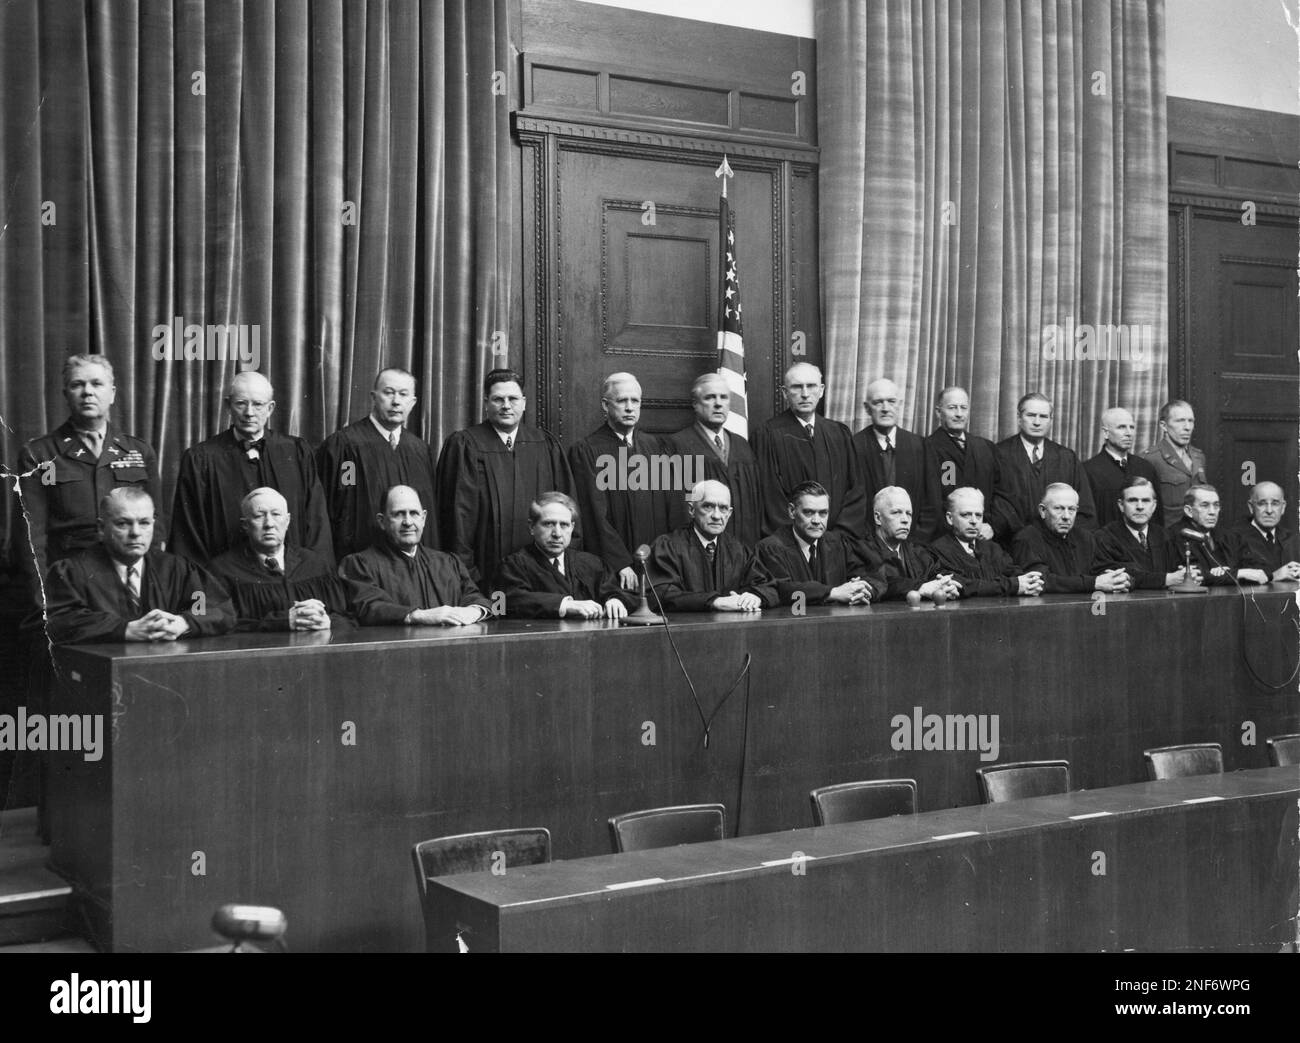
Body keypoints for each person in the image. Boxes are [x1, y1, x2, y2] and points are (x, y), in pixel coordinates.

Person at [18, 355, 164, 606]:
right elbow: (31, 537)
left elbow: (157, 526)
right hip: (70, 583)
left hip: (130, 582)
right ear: (66, 394)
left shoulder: (138, 451)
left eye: (97, 384)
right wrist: (44, 598)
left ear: (113, 393)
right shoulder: (39, 454)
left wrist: (153, 589)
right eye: (77, 385)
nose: (87, 392)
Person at [171, 371, 332, 566]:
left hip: (294, 576)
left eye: (258, 404)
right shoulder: (201, 459)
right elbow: (189, 537)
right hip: (226, 583)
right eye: (241, 403)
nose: (249, 412)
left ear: (270, 408)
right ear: (228, 406)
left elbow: (316, 522)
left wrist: (312, 574)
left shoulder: (297, 452)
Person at [435, 369, 575, 585]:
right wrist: (466, 577)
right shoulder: (465, 444)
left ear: (524, 402)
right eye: (498, 399)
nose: (506, 406)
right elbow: (456, 520)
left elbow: (568, 510)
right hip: (483, 570)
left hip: (542, 573)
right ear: (486, 403)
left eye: (513, 399)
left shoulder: (545, 445)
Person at [44, 488, 233, 644]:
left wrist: (184, 622)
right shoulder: (72, 573)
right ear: (101, 528)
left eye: (144, 523)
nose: (135, 533)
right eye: (123, 524)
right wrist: (123, 629)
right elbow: (61, 621)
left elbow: (216, 607)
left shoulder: (177, 569)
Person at [208, 488, 379, 631]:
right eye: (259, 516)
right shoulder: (223, 570)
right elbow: (222, 626)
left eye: (276, 514)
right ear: (245, 524)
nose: (269, 524)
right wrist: (282, 621)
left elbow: (348, 618)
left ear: (288, 521)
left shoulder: (316, 564)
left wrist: (328, 622)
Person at [316, 368, 440, 562]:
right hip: (360, 562)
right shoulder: (345, 445)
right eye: (389, 392)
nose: (396, 401)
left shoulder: (420, 450)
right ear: (374, 397)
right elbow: (335, 506)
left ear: (413, 402)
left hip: (412, 566)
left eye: (403, 394)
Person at [567, 373, 672, 590]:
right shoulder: (587, 450)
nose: (629, 407)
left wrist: (662, 559)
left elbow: (666, 509)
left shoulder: (654, 447)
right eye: (622, 400)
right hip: (614, 569)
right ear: (606, 405)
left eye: (635, 401)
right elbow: (594, 516)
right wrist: (620, 563)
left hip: (655, 564)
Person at [338, 485, 493, 626]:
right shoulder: (360, 565)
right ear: (382, 521)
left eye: (414, 513)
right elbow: (370, 606)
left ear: (423, 518)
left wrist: (474, 611)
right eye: (399, 514)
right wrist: (418, 615)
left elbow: (474, 597)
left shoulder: (448, 563)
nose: (408, 522)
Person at [754, 363, 866, 537]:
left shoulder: (839, 434)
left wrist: (837, 538)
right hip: (791, 544)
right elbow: (771, 499)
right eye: (797, 387)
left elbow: (855, 492)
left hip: (838, 543)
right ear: (785, 393)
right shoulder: (767, 435)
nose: (805, 394)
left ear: (821, 390)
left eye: (811, 386)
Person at [494, 492, 635, 620]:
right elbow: (508, 601)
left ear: (572, 527)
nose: (557, 533)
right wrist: (565, 605)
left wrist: (615, 600)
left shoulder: (592, 563)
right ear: (532, 527)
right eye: (548, 524)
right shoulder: (514, 565)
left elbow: (612, 591)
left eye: (564, 525)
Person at [648, 480, 778, 613]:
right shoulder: (668, 547)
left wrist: (755, 596)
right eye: (708, 506)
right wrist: (715, 601)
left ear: (729, 513)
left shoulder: (738, 549)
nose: (716, 516)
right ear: (692, 510)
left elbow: (768, 587)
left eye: (723, 508)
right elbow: (660, 595)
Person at [667, 374, 763, 547]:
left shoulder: (742, 446)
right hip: (696, 549)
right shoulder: (678, 445)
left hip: (742, 549)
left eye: (723, 397)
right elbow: (679, 509)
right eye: (710, 397)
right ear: (695, 404)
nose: (718, 403)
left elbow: (754, 506)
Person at [992, 393, 1095, 541]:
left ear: (1051, 420)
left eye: (1043, 416)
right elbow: (996, 505)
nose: (1037, 422)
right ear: (1019, 417)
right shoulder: (999, 454)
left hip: (1060, 544)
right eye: (1031, 415)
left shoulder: (1066, 457)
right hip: (1012, 543)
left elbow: (1085, 508)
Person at [754, 481, 877, 606]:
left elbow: (866, 574)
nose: (817, 521)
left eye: (823, 513)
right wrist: (833, 592)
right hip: (793, 621)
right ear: (792, 511)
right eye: (808, 512)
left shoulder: (838, 543)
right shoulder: (771, 548)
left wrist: (861, 589)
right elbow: (782, 590)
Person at [853, 378, 935, 540]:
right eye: (878, 403)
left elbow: (932, 500)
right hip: (869, 545)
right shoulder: (854, 446)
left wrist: (918, 540)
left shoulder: (919, 445)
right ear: (867, 408)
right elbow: (853, 506)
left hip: (915, 544)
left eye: (891, 401)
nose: (885, 409)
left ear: (900, 405)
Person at [1011, 483, 1130, 594]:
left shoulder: (1084, 537)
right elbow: (1041, 581)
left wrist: (1119, 578)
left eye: (1072, 509)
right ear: (1042, 511)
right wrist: (1094, 583)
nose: (1066, 516)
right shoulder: (1026, 538)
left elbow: (1102, 567)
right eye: (1058, 508)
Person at [930, 488, 1044, 598]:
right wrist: (1012, 585)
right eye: (966, 515)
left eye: (978, 515)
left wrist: (1031, 583)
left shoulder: (993, 549)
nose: (974, 521)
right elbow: (963, 585)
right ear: (950, 518)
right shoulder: (938, 550)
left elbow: (1017, 574)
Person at [1092, 477, 1200, 590]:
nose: (1140, 507)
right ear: (1121, 505)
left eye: (1146, 501)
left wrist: (1189, 574)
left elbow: (1186, 565)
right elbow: (1119, 576)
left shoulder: (1166, 536)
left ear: (1154, 506)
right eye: (1132, 500)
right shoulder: (1104, 537)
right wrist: (1167, 579)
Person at [923, 386, 1001, 542]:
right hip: (946, 537)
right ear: (939, 412)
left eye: (963, 408)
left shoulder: (986, 448)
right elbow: (934, 501)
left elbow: (1002, 493)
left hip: (985, 536)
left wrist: (992, 525)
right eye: (952, 408)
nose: (959, 414)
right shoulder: (928, 448)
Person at [859, 487, 959, 602]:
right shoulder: (861, 550)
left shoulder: (917, 551)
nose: (905, 520)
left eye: (909, 514)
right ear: (878, 518)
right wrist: (920, 587)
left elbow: (940, 573)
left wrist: (947, 584)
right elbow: (880, 582)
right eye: (896, 512)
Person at [1082, 407, 1161, 529]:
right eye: (1121, 427)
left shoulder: (1146, 468)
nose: (1129, 433)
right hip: (1105, 544)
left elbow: (1157, 515)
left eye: (1132, 427)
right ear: (1106, 433)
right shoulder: (1089, 470)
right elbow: (1088, 519)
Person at [1171, 484, 1264, 586]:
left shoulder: (1229, 536)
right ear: (1189, 511)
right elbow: (1195, 576)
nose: (1212, 512)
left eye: (1216, 505)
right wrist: (1236, 573)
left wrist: (1225, 573)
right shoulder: (1175, 536)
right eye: (1205, 505)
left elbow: (1258, 569)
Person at [1140, 400, 1207, 528]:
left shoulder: (1199, 457)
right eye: (1180, 421)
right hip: (1167, 536)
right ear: (1163, 426)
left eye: (1190, 421)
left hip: (1196, 532)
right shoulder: (1150, 459)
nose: (1187, 427)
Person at [1225, 482, 1300, 583]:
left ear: (1283, 507)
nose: (1269, 510)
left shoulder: (1294, 539)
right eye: (1262, 503)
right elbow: (1229, 583)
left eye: (1275, 503)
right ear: (1251, 507)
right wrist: (1273, 576)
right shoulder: (1232, 539)